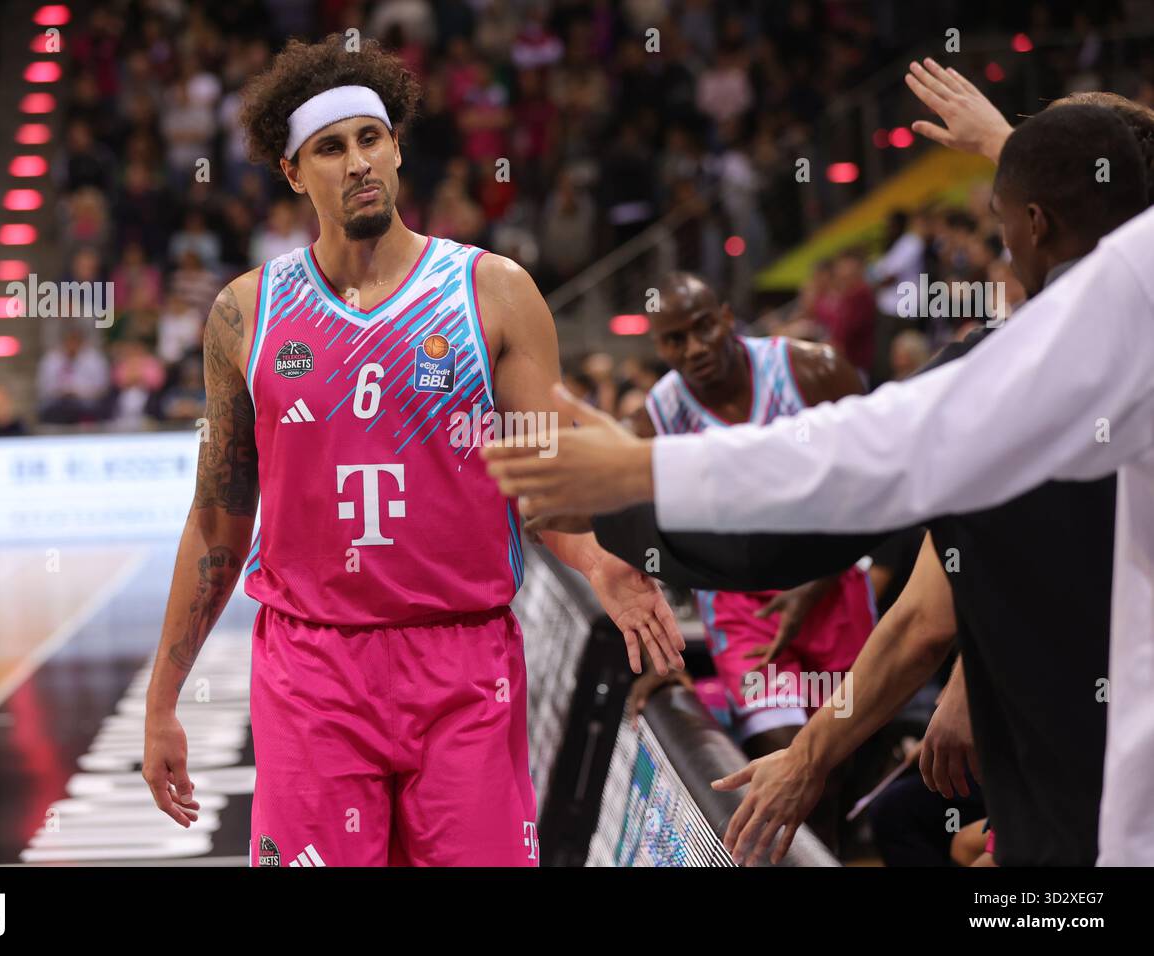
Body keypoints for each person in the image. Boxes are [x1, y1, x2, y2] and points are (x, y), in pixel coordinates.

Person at [482, 137, 1154, 870]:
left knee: (856, 798)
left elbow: (851, 481)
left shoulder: (841, 369)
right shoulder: (664, 405)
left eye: (1001, 221)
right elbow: (932, 602)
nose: (997, 246)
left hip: (830, 581)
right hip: (762, 604)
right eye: (676, 338)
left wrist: (634, 484)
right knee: (820, 777)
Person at [141, 35, 683, 869]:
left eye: (371, 138)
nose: (357, 162)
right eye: (329, 147)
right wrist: (162, 702)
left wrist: (601, 562)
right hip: (311, 668)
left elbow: (541, 483)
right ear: (293, 172)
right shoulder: (244, 315)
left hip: (464, 665)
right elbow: (219, 520)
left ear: (397, 147)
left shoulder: (494, 292)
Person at [626, 271, 875, 760]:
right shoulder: (656, 418)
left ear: (726, 317)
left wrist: (817, 583)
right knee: (782, 761)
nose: (694, 348)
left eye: (703, 328)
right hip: (742, 606)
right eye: (675, 340)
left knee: (844, 765)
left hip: (831, 581)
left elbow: (874, 481)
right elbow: (633, 537)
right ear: (659, 347)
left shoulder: (813, 371)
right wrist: (664, 654)